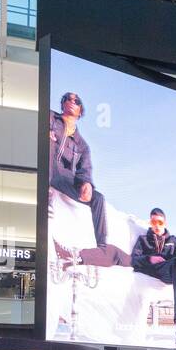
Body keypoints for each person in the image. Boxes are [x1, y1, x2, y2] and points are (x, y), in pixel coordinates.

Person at [48, 91, 108, 248]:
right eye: (68, 98)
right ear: (63, 104)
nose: (72, 101)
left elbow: (84, 170)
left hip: (63, 178)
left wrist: (86, 184)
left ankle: (102, 246)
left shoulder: (82, 145)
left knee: (98, 198)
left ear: (80, 110)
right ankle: (45, 201)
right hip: (45, 164)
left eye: (77, 100)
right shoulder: (49, 117)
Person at [130, 207, 176, 319]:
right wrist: (149, 259)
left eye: (160, 222)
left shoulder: (173, 241)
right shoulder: (143, 240)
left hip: (165, 271)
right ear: (150, 223)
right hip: (149, 270)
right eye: (153, 222)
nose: (157, 225)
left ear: (165, 223)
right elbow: (133, 259)